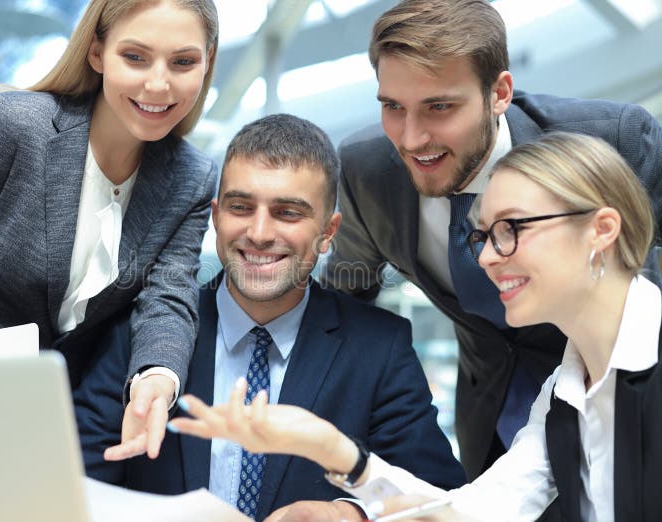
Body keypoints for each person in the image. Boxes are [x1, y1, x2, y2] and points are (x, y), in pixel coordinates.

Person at [171, 131, 662, 522]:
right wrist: (333, 450)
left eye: (512, 229)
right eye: (483, 235)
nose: (487, 258)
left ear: (601, 229)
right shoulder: (566, 389)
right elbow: (475, 513)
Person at [0, 0, 218, 518]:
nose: (159, 85)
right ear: (96, 51)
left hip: (36, 441)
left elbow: (167, 295)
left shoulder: (191, 176)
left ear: (208, 61)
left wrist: (156, 378)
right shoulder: (15, 126)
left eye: (183, 62)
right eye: (136, 57)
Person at [323, 0, 662, 483]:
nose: (412, 138)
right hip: (494, 427)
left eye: (440, 106)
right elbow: (348, 311)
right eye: (392, 107)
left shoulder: (615, 142)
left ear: (499, 92)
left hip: (630, 400)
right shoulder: (367, 172)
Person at [75, 114, 465, 520]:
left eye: (287, 213)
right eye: (241, 207)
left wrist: (353, 513)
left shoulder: (379, 348)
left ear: (329, 233)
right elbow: (74, 486)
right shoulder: (141, 333)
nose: (259, 233)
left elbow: (439, 496)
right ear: (215, 216)